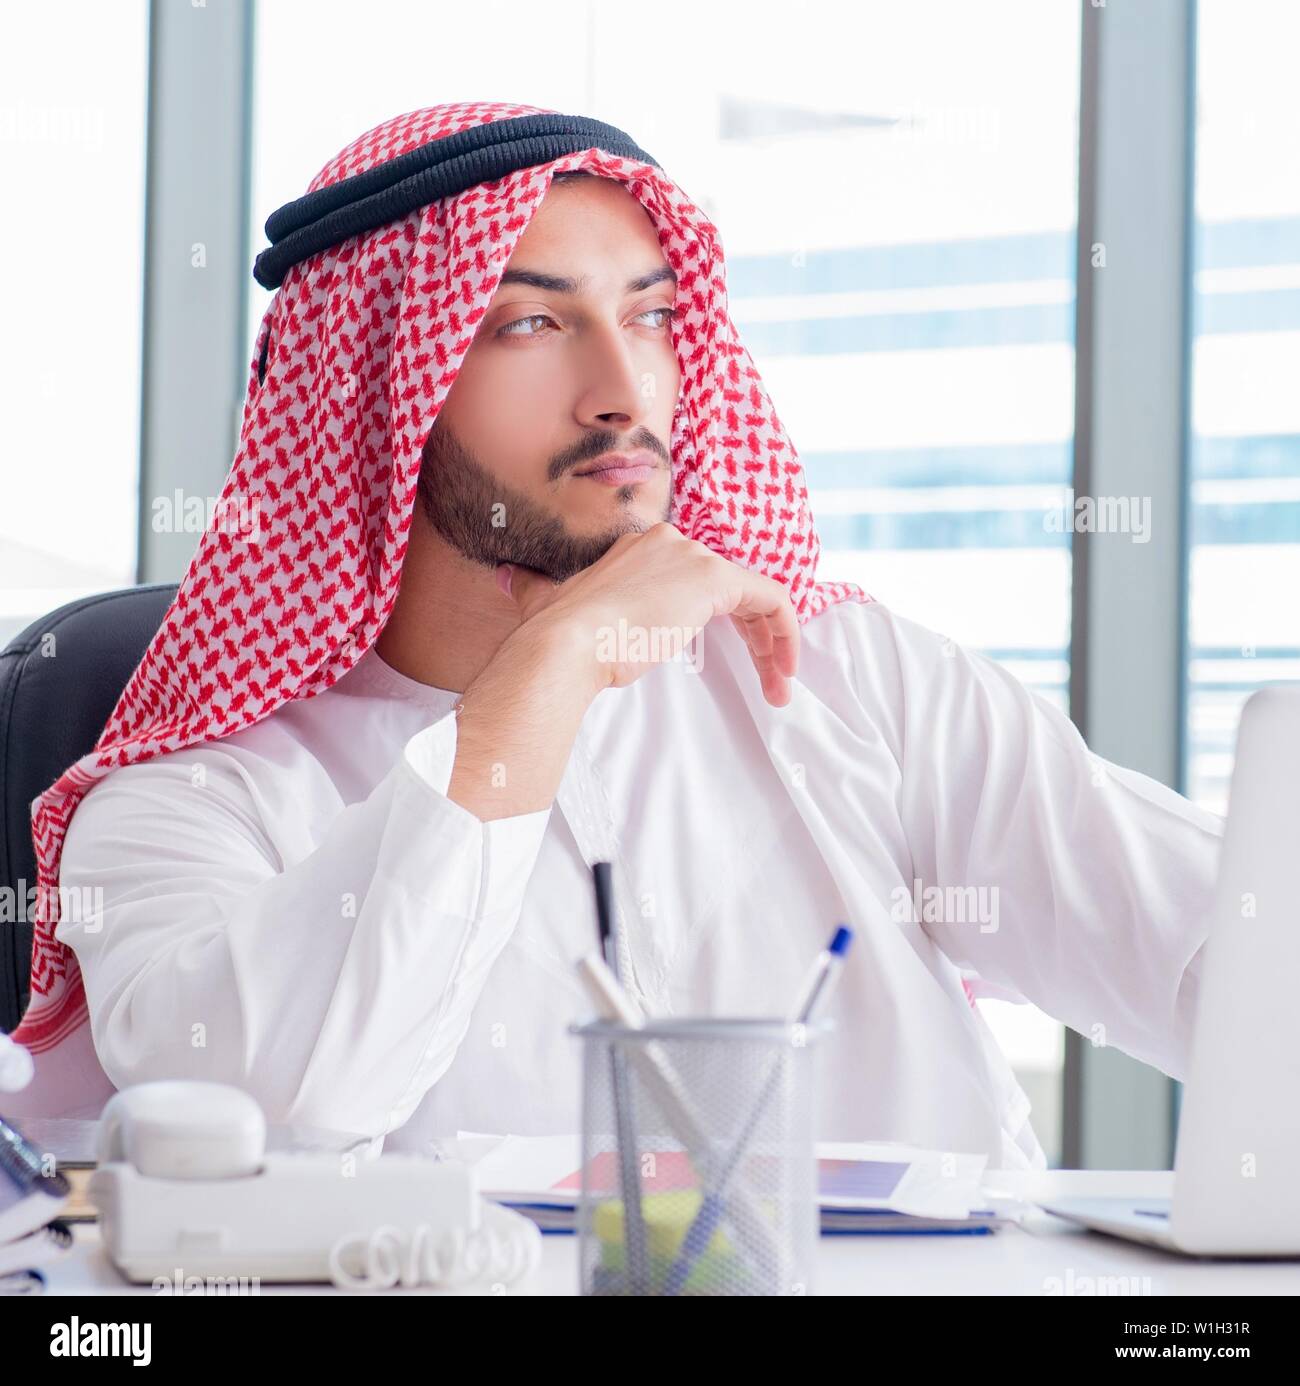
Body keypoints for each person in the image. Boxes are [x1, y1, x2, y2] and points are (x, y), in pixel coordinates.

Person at [7, 103, 1223, 1170]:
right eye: (530, 326)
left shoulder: (862, 688)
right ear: (379, 389)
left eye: (649, 319)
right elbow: (266, 1118)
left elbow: (1221, 963)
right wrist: (540, 681)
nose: (624, 392)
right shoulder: (189, 803)